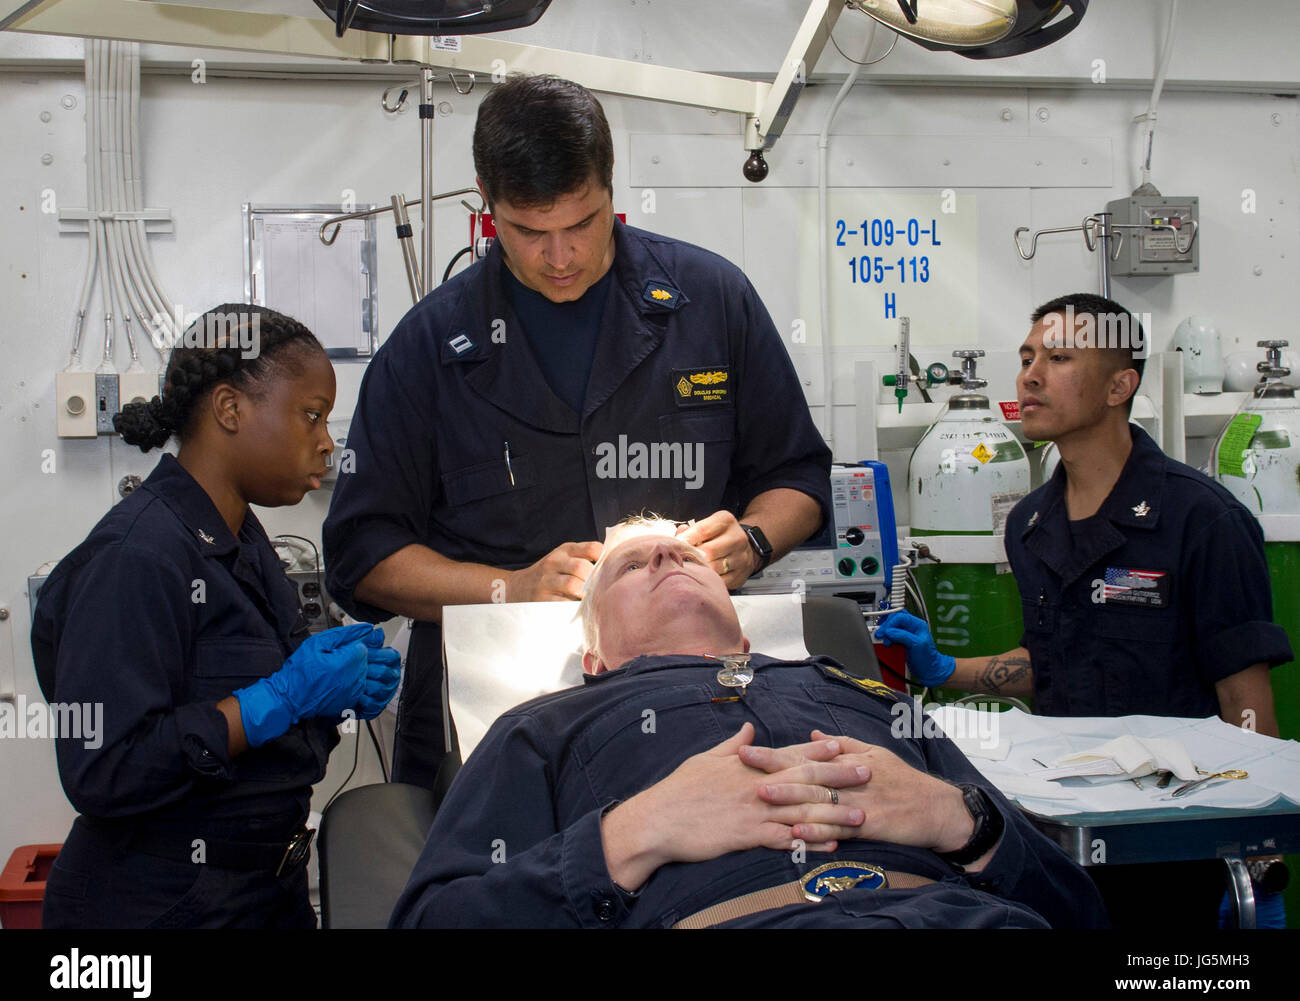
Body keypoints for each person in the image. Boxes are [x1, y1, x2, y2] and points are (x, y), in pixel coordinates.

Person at [323, 74, 832, 789]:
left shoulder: (710, 302)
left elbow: (799, 478)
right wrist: (511, 586)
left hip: (699, 707)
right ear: (485, 202)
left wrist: (751, 541)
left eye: (583, 224)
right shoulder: (429, 346)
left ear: (610, 187)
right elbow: (362, 555)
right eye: (530, 232)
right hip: (490, 728)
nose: (560, 258)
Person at [389, 526, 1108, 929]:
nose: (668, 555)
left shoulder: (865, 696)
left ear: (741, 630)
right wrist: (631, 835)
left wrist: (961, 820)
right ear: (595, 657)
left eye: (688, 555)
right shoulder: (543, 728)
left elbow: (1078, 912)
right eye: (630, 565)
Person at [877, 292, 1294, 927]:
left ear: (1119, 386)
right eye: (1026, 357)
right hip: (1058, 832)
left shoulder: (1203, 520)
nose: (1030, 375)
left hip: (1166, 846)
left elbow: (1246, 701)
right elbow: (1056, 664)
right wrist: (944, 670)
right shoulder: (1029, 523)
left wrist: (1251, 848)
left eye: (1060, 357)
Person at [31, 304, 401, 929]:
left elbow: (234, 685)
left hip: (259, 890)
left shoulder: (243, 541)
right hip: (156, 906)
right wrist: (277, 698)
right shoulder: (138, 556)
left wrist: (332, 686)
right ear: (230, 410)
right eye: (310, 415)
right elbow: (104, 770)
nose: (326, 441)